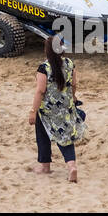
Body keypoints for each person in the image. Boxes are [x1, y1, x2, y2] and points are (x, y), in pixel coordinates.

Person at [29, 35, 84, 182]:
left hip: (47, 110)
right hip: (66, 107)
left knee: (42, 135)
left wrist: (33, 111)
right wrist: (73, 98)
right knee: (66, 137)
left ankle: (45, 166)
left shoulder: (44, 68)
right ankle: (72, 166)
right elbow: (73, 85)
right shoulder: (70, 64)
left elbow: (40, 90)